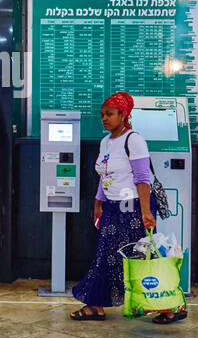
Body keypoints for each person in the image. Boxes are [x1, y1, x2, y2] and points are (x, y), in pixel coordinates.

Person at [71, 91, 184, 323]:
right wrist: (98, 203)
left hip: (133, 208)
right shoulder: (105, 142)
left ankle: (172, 306)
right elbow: (104, 176)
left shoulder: (134, 140)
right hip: (112, 208)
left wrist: (145, 212)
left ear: (124, 115)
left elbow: (142, 178)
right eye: (102, 114)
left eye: (110, 114)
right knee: (105, 256)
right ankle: (95, 306)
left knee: (145, 256)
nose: (104, 118)